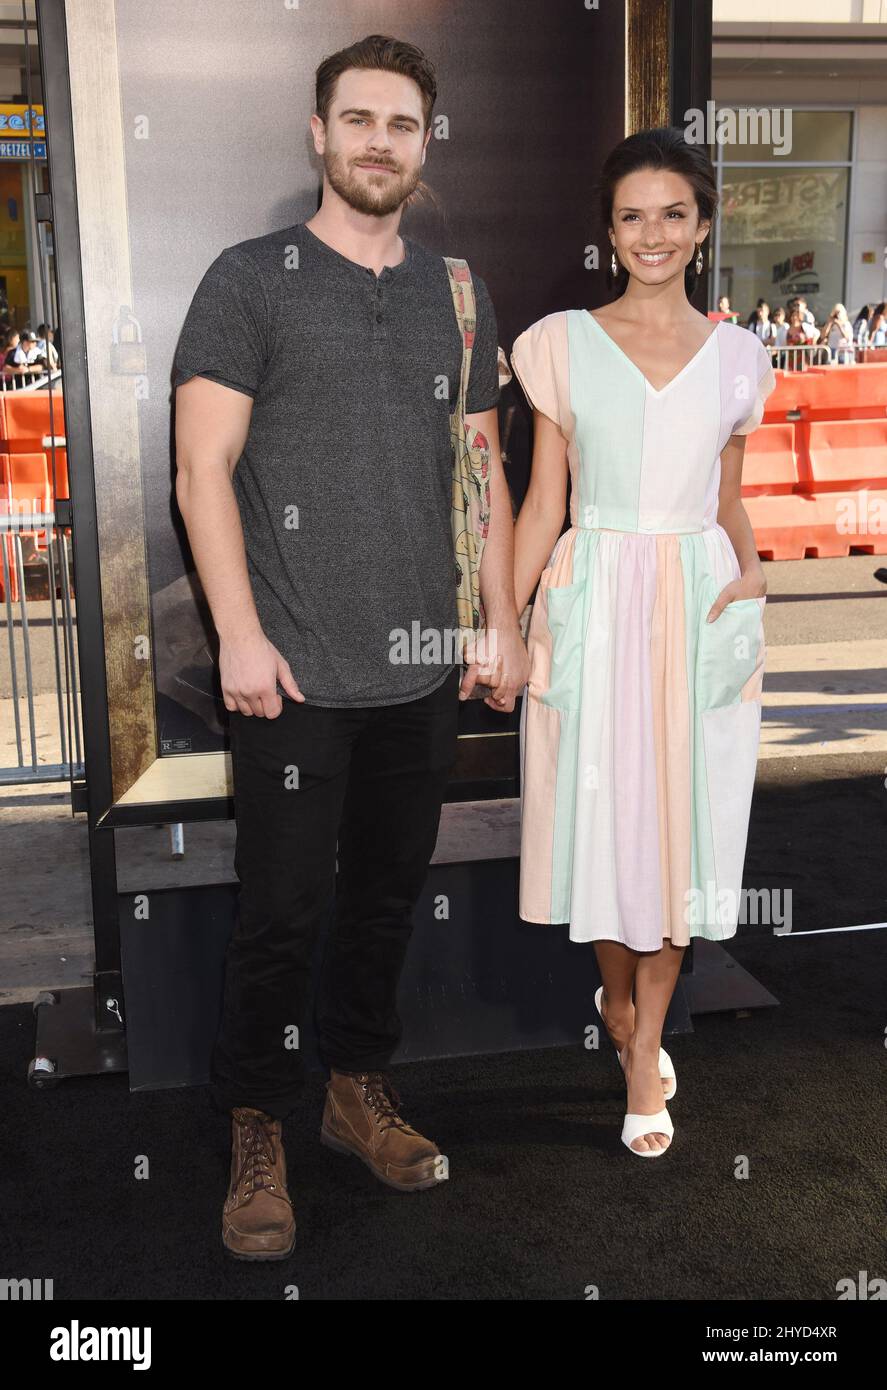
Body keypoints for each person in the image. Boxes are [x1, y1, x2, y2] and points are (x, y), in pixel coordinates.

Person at [173, 33, 528, 1259]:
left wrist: (499, 622)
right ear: (317, 134)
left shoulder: (459, 292)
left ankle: (350, 1092)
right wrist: (239, 637)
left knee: (383, 900)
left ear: (426, 146)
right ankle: (254, 1123)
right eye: (357, 118)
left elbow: (477, 471)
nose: (380, 140)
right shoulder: (246, 279)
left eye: (402, 123)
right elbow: (200, 469)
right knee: (278, 913)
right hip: (293, 677)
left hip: (423, 668)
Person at [510, 126, 776, 1159]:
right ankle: (615, 1002)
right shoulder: (556, 345)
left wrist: (751, 575)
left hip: (698, 603)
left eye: (673, 213)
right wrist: (504, 621)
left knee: (677, 840)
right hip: (595, 598)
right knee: (605, 837)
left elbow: (728, 498)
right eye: (631, 216)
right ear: (608, 232)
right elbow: (542, 503)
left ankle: (641, 1045)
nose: (651, 233)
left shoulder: (741, 357)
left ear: (701, 226)